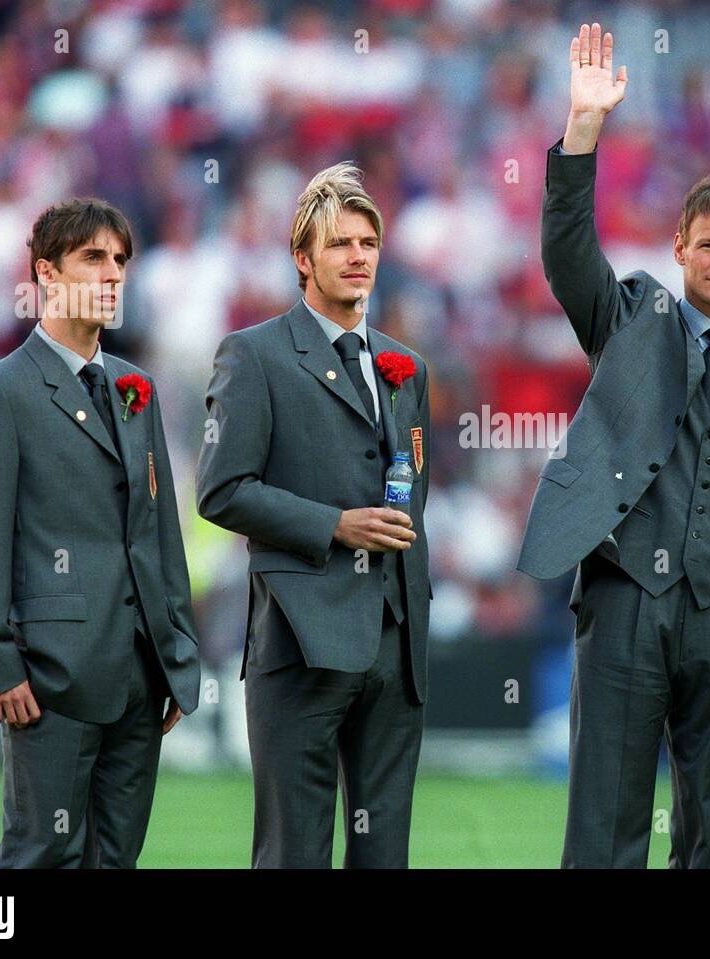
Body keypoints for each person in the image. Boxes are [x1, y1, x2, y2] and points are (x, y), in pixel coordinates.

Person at [517, 23, 710, 868]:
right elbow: (566, 250)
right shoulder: (630, 319)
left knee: (709, 842)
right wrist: (582, 130)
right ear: (678, 248)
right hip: (624, 603)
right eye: (709, 245)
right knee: (603, 837)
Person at [0, 197, 201, 867]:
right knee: (43, 855)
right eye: (93, 257)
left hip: (140, 678)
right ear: (46, 274)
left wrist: (176, 654)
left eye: (120, 259)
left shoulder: (134, 387)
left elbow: (159, 532)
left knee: (115, 860)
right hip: (48, 679)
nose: (112, 272)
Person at [196, 162, 431, 868]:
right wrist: (336, 524)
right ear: (303, 258)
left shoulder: (406, 365)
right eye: (340, 244)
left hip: (396, 644)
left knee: (383, 856)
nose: (358, 256)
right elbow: (221, 489)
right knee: (293, 854)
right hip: (300, 641)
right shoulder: (254, 354)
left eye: (367, 242)